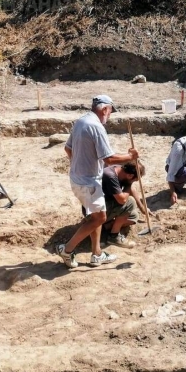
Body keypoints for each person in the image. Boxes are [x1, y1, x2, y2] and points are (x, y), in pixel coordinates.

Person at [57, 95, 138, 269]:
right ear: (104, 109)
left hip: (79, 179)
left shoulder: (81, 121)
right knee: (99, 217)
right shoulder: (96, 127)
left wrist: (80, 165)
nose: (109, 116)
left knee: (96, 216)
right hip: (88, 182)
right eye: (110, 112)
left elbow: (67, 148)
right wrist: (131, 156)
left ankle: (97, 254)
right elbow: (109, 159)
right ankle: (67, 249)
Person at [100, 162, 149, 248]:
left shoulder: (122, 171)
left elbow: (131, 189)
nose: (134, 182)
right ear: (130, 176)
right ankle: (113, 236)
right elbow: (122, 200)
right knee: (130, 202)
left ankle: (106, 226)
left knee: (134, 216)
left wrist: (142, 207)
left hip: (108, 205)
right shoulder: (111, 176)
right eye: (135, 180)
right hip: (98, 210)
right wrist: (129, 184)